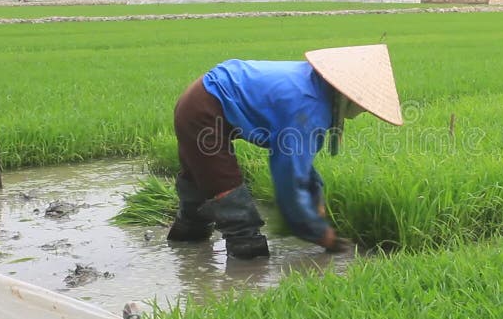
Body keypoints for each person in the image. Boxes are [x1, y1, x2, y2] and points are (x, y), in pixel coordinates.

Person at [167, 45, 403, 259]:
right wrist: (317, 232)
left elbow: (299, 159)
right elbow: (288, 176)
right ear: (347, 94)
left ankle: (186, 243)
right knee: (238, 218)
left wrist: (314, 194)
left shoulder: (315, 85)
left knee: (199, 182)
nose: (363, 109)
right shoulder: (309, 106)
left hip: (200, 97)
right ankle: (246, 281)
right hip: (204, 112)